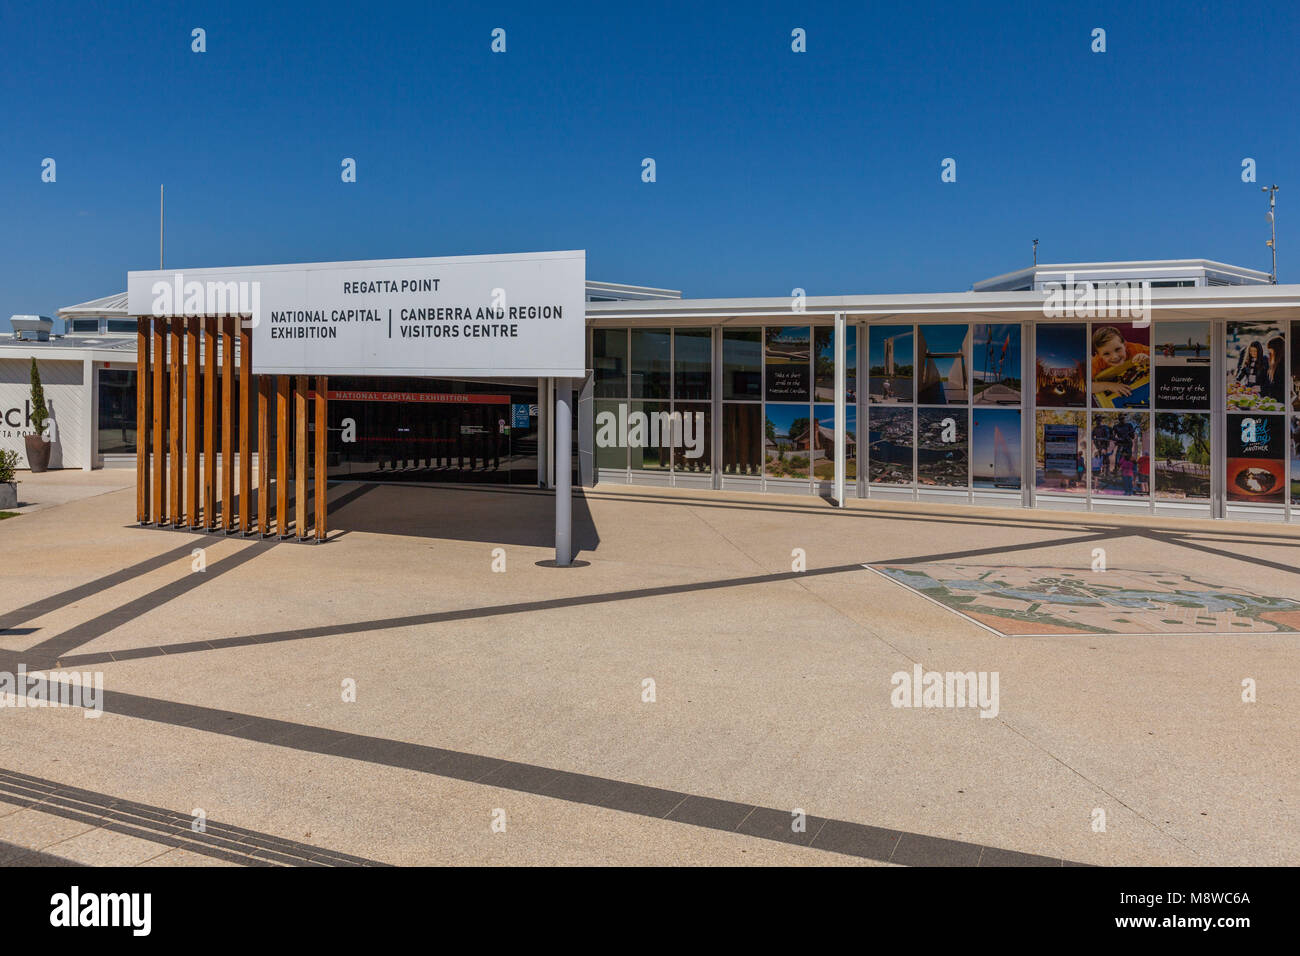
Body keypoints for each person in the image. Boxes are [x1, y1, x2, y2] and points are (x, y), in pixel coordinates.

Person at [1090, 326, 1149, 403]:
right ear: (1099, 355)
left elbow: (1163, 360)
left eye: (1118, 349)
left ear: (1125, 345)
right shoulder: (1096, 362)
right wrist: (1110, 386)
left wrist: (1148, 359)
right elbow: (1083, 386)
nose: (1114, 357)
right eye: (1106, 354)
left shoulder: (1135, 349)